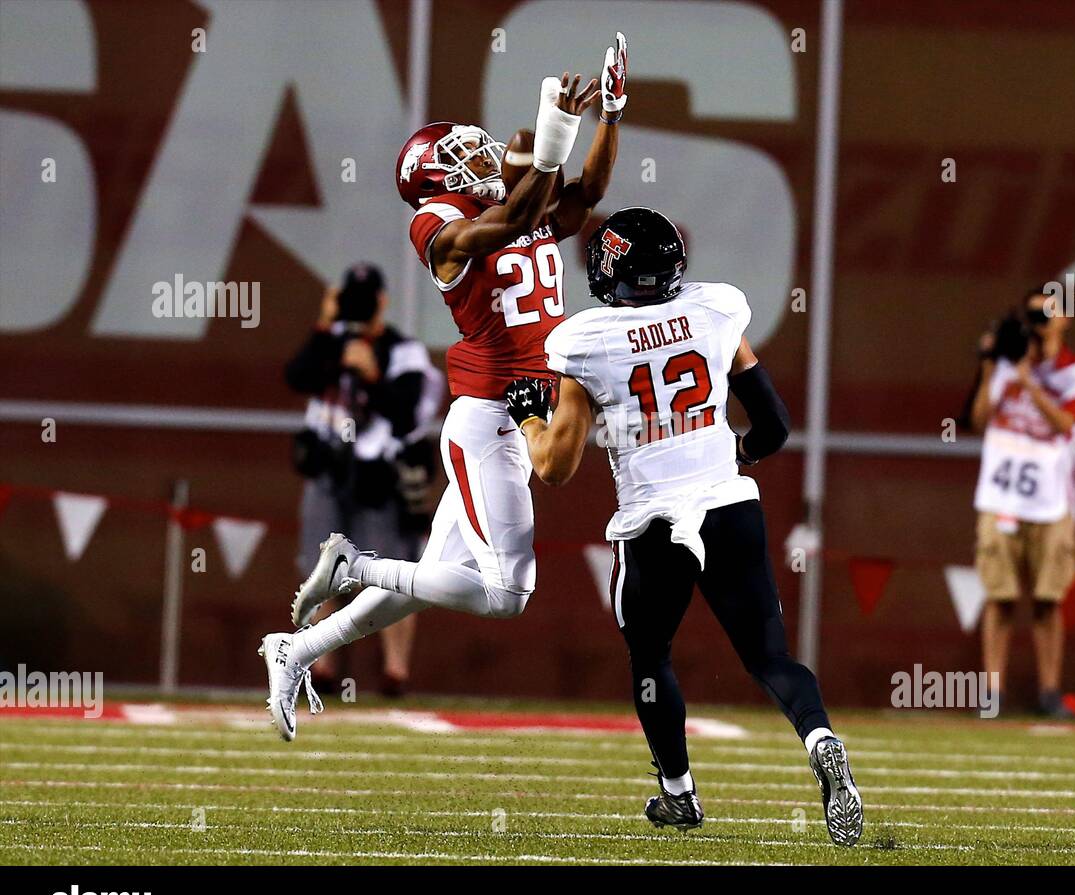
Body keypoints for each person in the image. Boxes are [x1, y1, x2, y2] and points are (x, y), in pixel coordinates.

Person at [258, 36, 628, 742]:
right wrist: (550, 136)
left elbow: (588, 196)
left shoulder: (512, 205)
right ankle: (353, 562)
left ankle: (296, 648)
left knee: (425, 580)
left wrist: (610, 111)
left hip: (516, 410)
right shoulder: (436, 224)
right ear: (435, 173)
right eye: (465, 154)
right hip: (492, 418)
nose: (482, 156)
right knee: (507, 592)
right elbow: (516, 219)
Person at [501, 207, 863, 847]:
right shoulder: (717, 309)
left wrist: (530, 419)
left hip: (652, 522)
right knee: (771, 657)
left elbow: (554, 468)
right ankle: (819, 736)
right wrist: (732, 454)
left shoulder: (586, 340)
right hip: (728, 505)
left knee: (650, 655)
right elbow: (773, 427)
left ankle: (679, 795)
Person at [284, 263, 443, 698]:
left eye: (363, 299)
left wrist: (373, 375)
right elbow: (296, 376)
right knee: (321, 569)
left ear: (382, 301)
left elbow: (409, 412)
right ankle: (321, 668)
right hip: (329, 468)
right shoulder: (328, 341)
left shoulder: (402, 350)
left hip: (380, 474)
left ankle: (395, 672)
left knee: (393, 574)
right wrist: (323, 324)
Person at [969, 289, 1075, 716]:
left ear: (1065, 318)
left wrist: (1030, 380)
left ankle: (1049, 694)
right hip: (1001, 494)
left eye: (1049, 310)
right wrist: (992, 363)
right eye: (1035, 311)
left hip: (1051, 499)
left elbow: (1067, 425)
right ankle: (992, 694)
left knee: (1049, 599)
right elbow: (978, 420)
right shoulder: (1007, 365)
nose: (1041, 318)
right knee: (1000, 596)